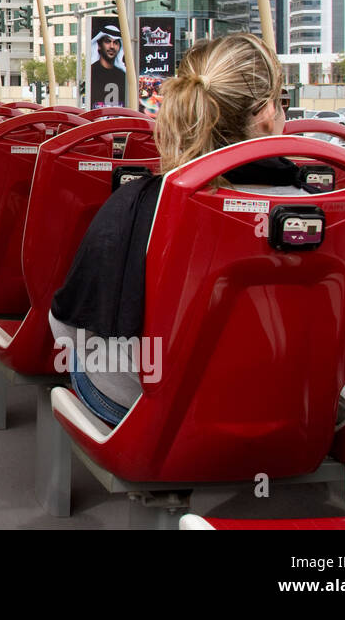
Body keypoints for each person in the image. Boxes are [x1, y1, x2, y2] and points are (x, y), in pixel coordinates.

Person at [49, 32, 311, 426]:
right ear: (267, 114)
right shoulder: (331, 209)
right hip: (286, 411)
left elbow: (64, 325)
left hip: (144, 411)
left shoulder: (140, 202)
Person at [89, 22, 126, 108]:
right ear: (99, 45)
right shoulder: (92, 72)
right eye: (108, 41)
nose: (112, 46)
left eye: (116, 42)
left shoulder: (123, 75)